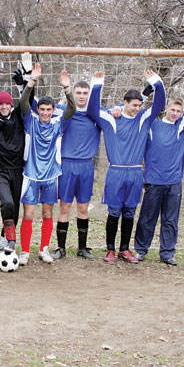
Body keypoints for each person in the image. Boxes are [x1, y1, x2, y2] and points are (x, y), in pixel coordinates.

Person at [88, 69, 166, 264]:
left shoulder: (144, 119)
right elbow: (91, 109)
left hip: (134, 172)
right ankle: (110, 250)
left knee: (130, 212)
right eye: (134, 105)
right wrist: (97, 85)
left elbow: (160, 102)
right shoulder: (111, 119)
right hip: (116, 171)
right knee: (114, 212)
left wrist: (156, 82)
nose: (137, 109)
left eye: (140, 105)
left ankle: (125, 249)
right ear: (124, 103)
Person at [133, 66, 184, 266]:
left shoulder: (182, 127)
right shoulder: (151, 125)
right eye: (172, 109)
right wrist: (148, 90)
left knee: (170, 220)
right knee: (147, 218)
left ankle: (167, 253)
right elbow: (136, 108)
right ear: (166, 108)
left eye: (178, 111)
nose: (175, 113)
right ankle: (140, 250)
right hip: (153, 181)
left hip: (174, 182)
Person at [51, 73, 118, 260]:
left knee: (82, 208)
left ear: (89, 95)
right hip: (67, 165)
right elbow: (38, 107)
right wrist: (24, 83)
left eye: (85, 93)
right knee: (64, 208)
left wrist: (117, 110)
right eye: (78, 92)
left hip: (86, 167)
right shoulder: (63, 111)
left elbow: (123, 108)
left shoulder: (96, 113)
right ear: (73, 93)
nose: (81, 96)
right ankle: (61, 248)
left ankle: (82, 247)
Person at [0, 52, 35, 254]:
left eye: (6, 103)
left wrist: (28, 77)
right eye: (0, 103)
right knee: (7, 202)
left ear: (11, 105)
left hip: (18, 169)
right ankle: (11, 238)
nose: (3, 106)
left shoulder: (19, 116)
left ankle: (5, 239)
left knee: (15, 208)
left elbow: (28, 100)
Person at [18, 63, 75, 265]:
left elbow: (72, 108)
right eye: (41, 109)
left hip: (51, 175)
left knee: (47, 212)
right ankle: (25, 251)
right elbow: (23, 102)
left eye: (48, 109)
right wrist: (32, 80)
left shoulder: (59, 123)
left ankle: (44, 249)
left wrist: (67, 88)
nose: (44, 112)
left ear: (53, 110)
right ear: (38, 110)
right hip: (31, 174)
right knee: (29, 213)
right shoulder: (30, 121)